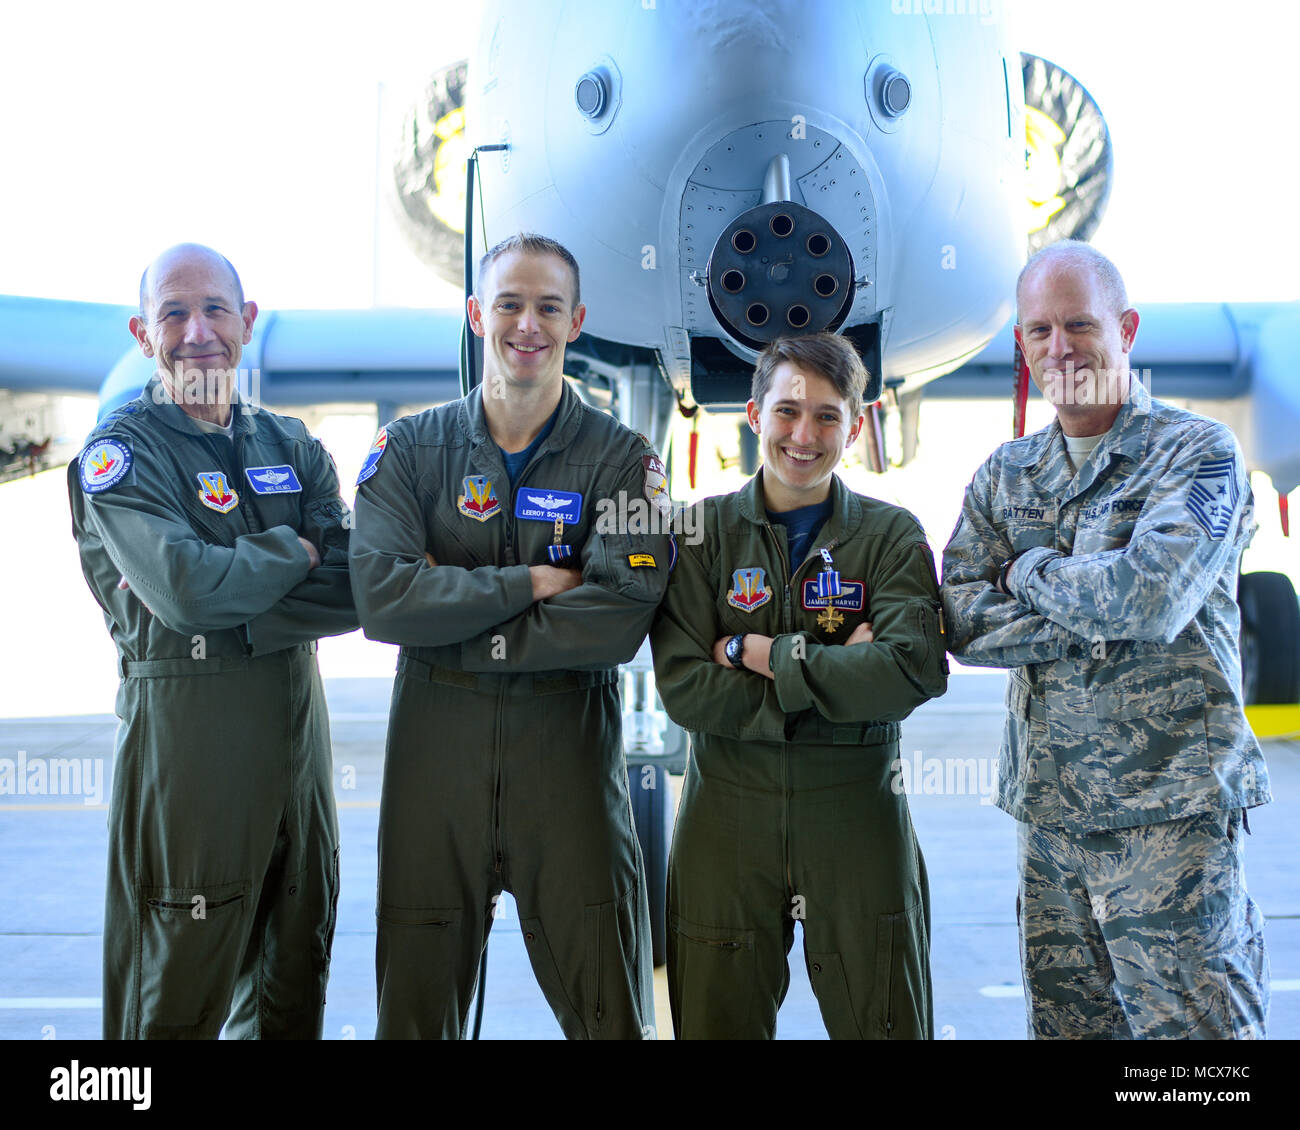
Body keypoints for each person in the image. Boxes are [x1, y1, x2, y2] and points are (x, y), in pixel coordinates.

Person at [941, 240, 1271, 1039]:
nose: (1061, 348)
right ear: (1022, 344)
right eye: (1040, 331)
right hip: (1050, 824)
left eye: (1080, 325)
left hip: (1170, 818)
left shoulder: (1198, 455)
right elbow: (956, 615)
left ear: (1125, 328)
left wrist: (1028, 572)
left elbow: (1148, 598)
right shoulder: (1006, 474)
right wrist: (1093, 610)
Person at [349, 232, 670, 1039]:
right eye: (509, 304)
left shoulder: (624, 460)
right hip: (435, 763)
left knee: (609, 1007)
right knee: (416, 1012)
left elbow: (620, 616)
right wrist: (526, 583)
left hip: (566, 760)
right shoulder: (410, 452)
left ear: (576, 321)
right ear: (475, 314)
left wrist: (448, 615)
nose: (528, 324)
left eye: (548, 307)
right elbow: (384, 601)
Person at [68, 243, 357, 1039]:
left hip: (300, 758)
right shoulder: (123, 454)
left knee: (292, 984)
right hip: (189, 757)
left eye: (215, 309)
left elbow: (355, 584)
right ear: (142, 332)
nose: (198, 331)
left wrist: (244, 598)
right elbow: (185, 590)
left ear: (248, 321)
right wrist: (293, 552)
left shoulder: (289, 447)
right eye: (174, 313)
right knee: (173, 994)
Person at [650, 332, 948, 1039]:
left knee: (886, 1022)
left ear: (857, 424)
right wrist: (835, 672)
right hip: (727, 820)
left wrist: (753, 651)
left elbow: (911, 670)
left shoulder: (891, 537)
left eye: (826, 415)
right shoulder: (698, 535)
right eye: (787, 411)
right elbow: (685, 688)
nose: (804, 435)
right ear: (754, 415)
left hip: (858, 821)